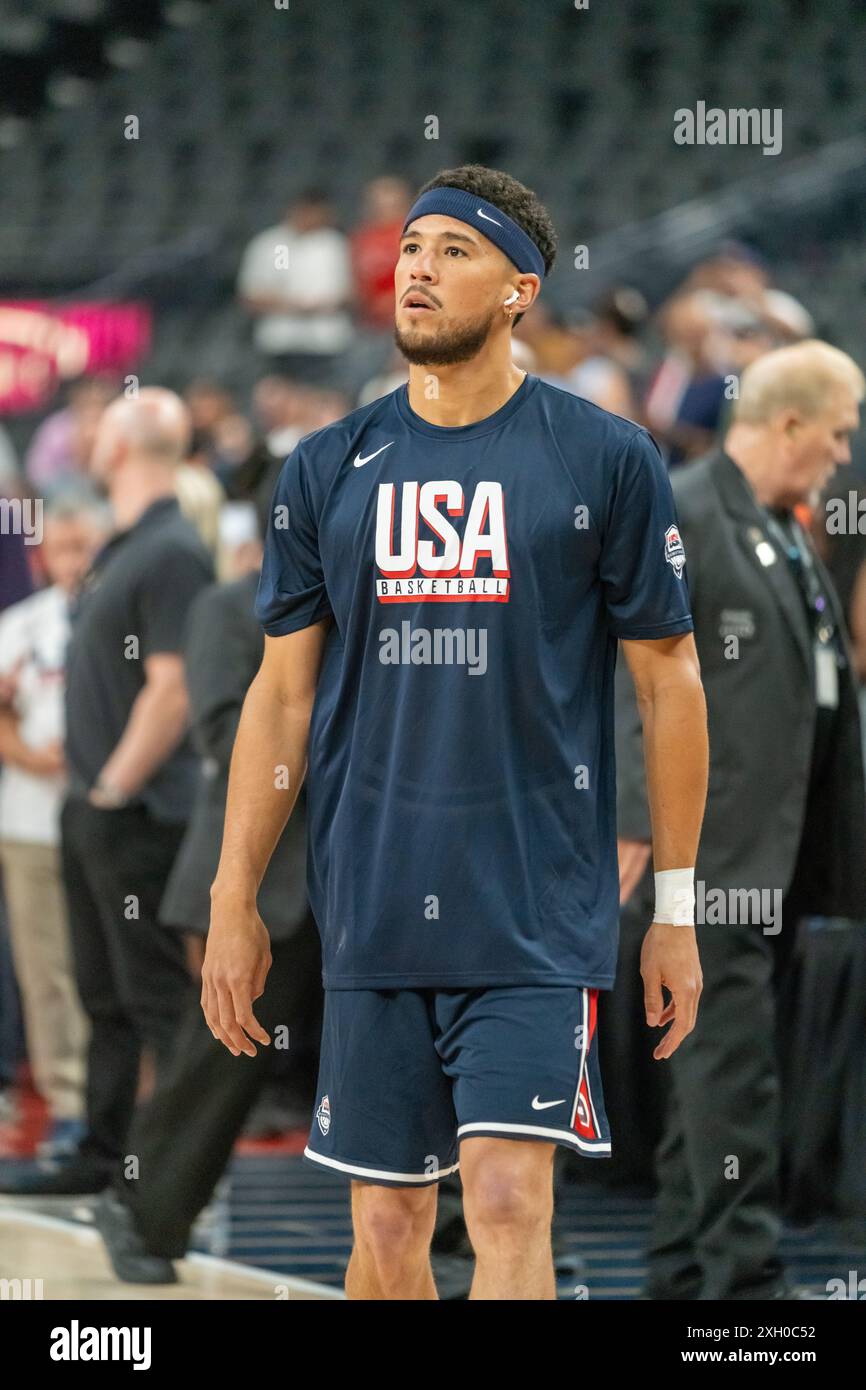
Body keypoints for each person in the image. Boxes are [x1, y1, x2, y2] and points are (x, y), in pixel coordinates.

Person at [203, 163, 708, 1301]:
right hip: (374, 899)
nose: (418, 267)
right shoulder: (324, 468)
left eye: (453, 250)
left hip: (535, 905)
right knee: (385, 1225)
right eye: (413, 246)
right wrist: (235, 893)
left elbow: (669, 682)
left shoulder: (605, 459)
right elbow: (279, 699)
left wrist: (673, 908)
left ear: (519, 289)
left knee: (507, 1199)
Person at [616, 340, 866, 1299]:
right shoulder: (684, 511)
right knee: (735, 1074)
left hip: (779, 850)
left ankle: (683, 1269)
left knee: (715, 1071)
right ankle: (744, 1282)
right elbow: (624, 673)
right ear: (791, 422)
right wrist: (638, 818)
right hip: (710, 856)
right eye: (837, 435)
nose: (844, 456)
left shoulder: (780, 524)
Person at [0, 388, 214, 1196]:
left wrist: (113, 787)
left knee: (155, 1000)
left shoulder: (169, 552)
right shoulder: (125, 548)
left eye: (101, 427)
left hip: (137, 813)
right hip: (94, 810)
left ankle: (167, 1181)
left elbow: (173, 688)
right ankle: (105, 1154)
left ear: (125, 445)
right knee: (104, 997)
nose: (85, 434)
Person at [0, 498, 107, 1160]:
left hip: (104, 817)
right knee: (45, 973)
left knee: (100, 968)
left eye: (83, 547)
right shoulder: (20, 624)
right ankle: (68, 1103)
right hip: (31, 819)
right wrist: (23, 753)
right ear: (43, 555)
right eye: (61, 547)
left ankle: (114, 1104)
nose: (72, 560)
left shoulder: (114, 618)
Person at [236, 189, 354, 386]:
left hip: (326, 340)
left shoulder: (334, 244)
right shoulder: (272, 244)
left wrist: (319, 305)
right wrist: (290, 304)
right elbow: (250, 296)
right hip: (279, 339)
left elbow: (349, 293)